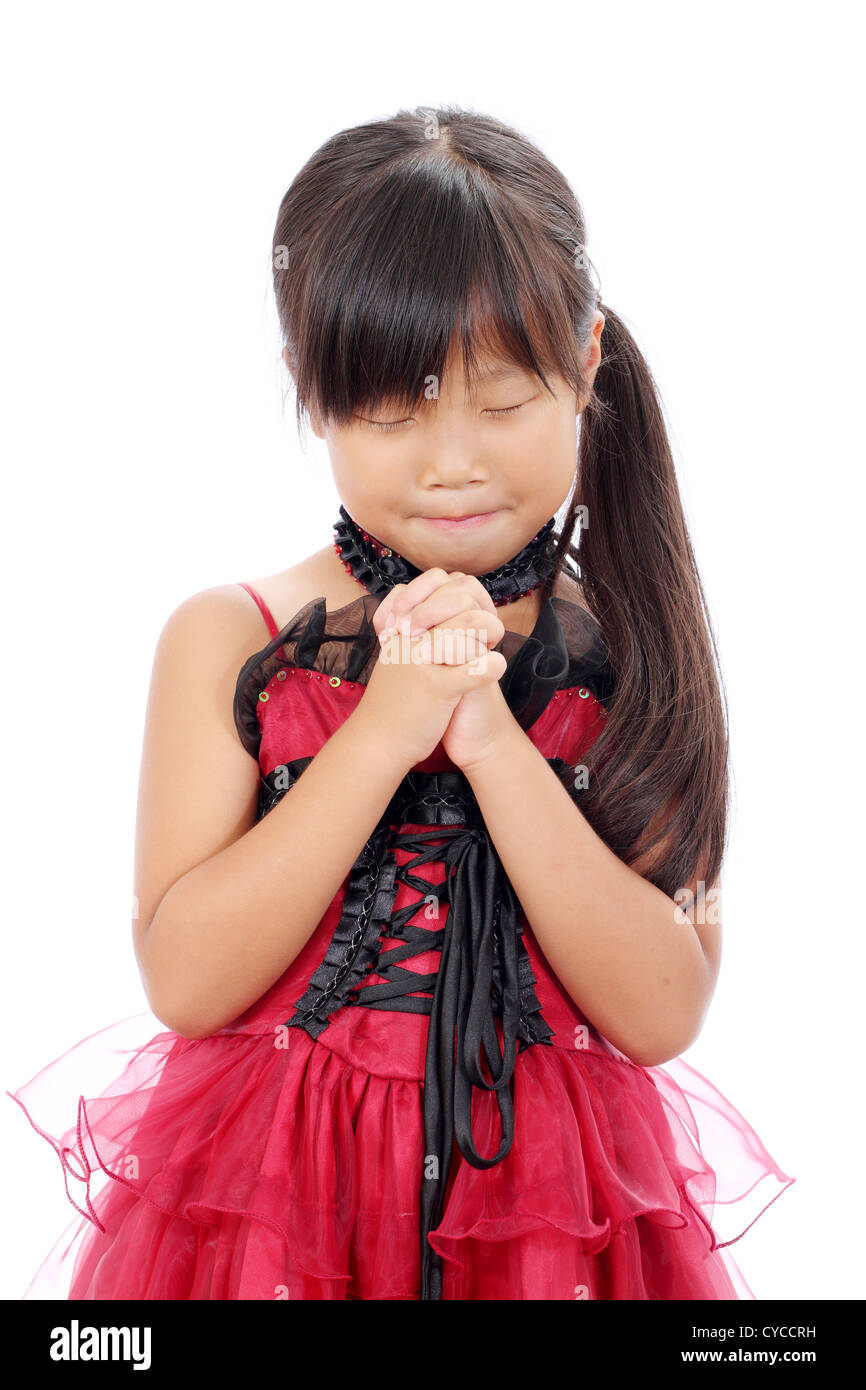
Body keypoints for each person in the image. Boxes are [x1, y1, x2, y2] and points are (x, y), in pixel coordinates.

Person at [7, 105, 794, 1301]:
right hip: (274, 1206)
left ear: (584, 366)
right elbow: (184, 979)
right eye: (392, 407)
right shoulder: (235, 639)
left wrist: (486, 736)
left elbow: (662, 1004)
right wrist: (382, 728)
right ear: (308, 389)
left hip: (552, 1221)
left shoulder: (629, 649)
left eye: (504, 399)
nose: (451, 459)